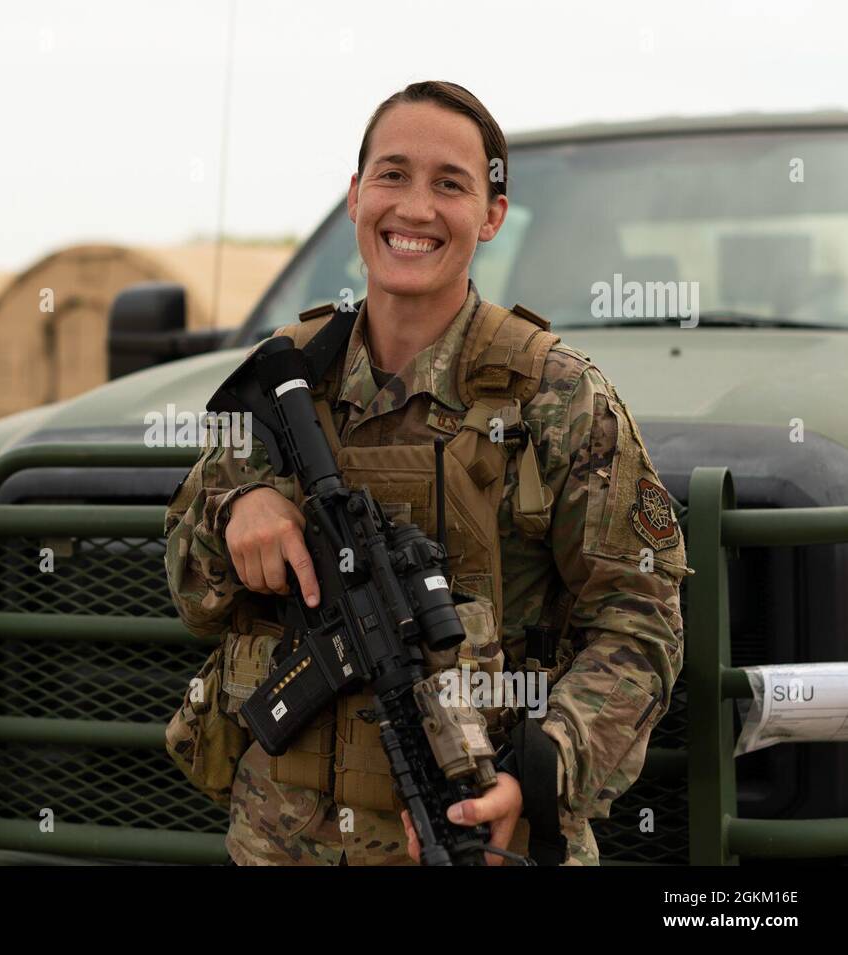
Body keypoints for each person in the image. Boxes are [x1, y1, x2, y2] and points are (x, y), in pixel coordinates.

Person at [163, 81, 687, 866]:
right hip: (282, 841)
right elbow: (188, 586)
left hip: (475, 827)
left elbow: (641, 623)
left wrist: (542, 775)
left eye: (451, 184)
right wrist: (235, 509)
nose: (414, 208)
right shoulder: (289, 378)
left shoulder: (559, 396)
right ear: (354, 195)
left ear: (491, 214)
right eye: (392, 175)